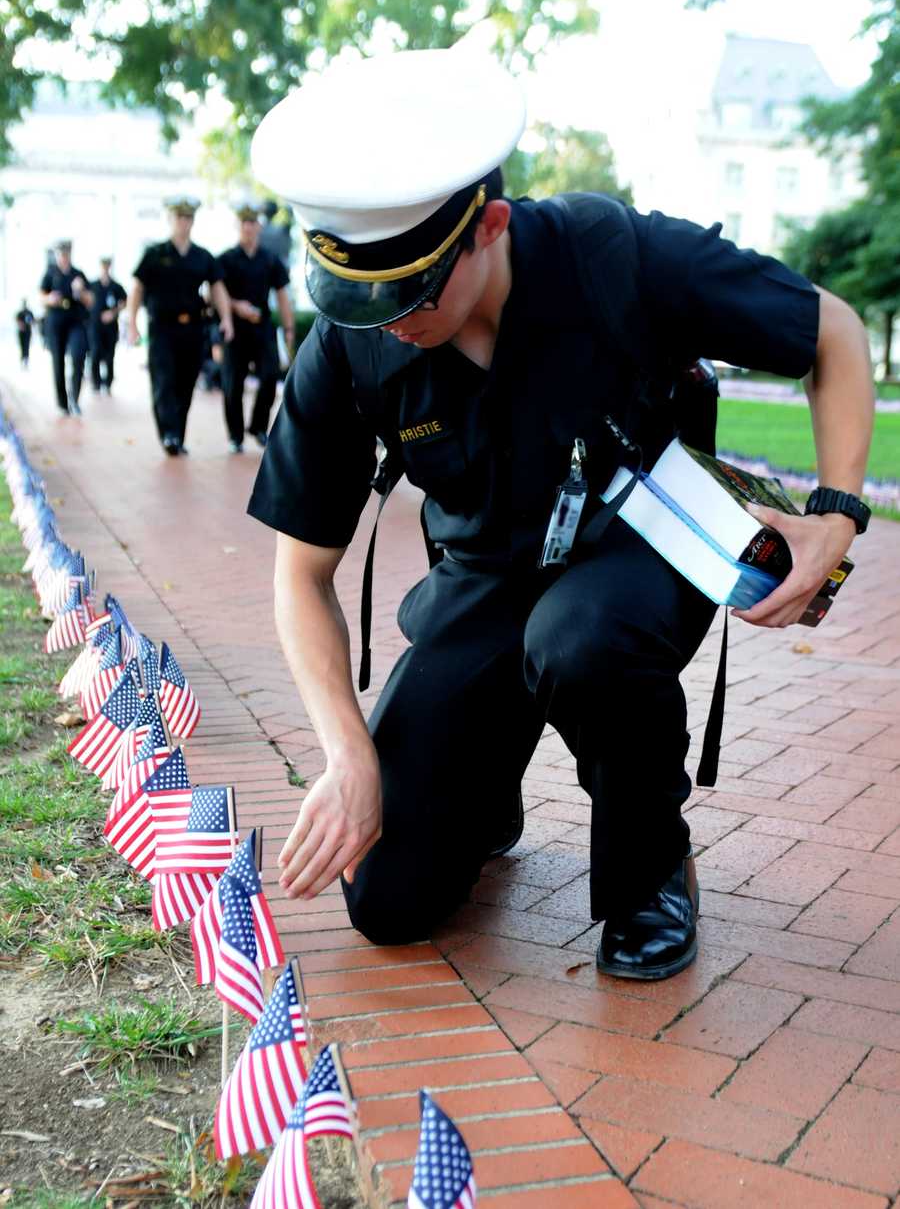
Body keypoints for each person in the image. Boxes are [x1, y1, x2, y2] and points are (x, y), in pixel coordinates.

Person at [245, 50, 874, 981]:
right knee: (388, 901)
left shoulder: (614, 256)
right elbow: (300, 576)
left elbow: (835, 331)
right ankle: (484, 785)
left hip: (632, 556)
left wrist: (838, 510)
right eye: (360, 299)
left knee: (579, 637)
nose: (389, 321)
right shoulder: (354, 344)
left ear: (489, 226)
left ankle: (649, 869)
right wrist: (349, 756)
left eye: (412, 292)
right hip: (485, 578)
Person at [126, 197, 233, 455]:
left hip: (193, 329)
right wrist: (131, 323)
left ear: (192, 221)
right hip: (162, 328)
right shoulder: (155, 254)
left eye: (187, 218)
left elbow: (217, 288)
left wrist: (227, 318)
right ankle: (169, 434)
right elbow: (137, 288)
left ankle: (177, 436)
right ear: (169, 220)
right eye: (178, 217)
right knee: (164, 381)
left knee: (186, 382)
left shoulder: (201, 256)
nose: (183, 223)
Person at [218, 201, 294, 453]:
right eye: (243, 222)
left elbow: (283, 294)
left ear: (259, 226)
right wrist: (236, 305)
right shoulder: (226, 260)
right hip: (234, 329)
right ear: (237, 226)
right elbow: (214, 293)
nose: (248, 227)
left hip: (262, 327)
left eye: (252, 222)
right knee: (232, 384)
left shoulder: (270, 260)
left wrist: (289, 327)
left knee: (271, 375)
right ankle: (235, 435)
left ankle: (259, 427)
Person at [39, 239, 93, 415]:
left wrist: (81, 291)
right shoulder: (50, 273)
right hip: (55, 320)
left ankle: (74, 399)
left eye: (66, 253)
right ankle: (63, 404)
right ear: (57, 255)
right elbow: (41, 296)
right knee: (58, 361)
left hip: (75, 320)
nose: (64, 256)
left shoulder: (78, 274)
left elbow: (91, 301)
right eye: (61, 253)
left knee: (78, 355)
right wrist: (49, 299)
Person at [88, 257, 127, 394]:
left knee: (110, 355)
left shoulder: (116, 286)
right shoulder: (92, 285)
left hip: (110, 326)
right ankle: (96, 382)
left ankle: (108, 383)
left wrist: (113, 313)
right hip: (95, 325)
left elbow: (124, 302)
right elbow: (85, 299)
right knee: (95, 352)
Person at [15, 300, 34, 368]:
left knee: (27, 345)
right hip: (21, 332)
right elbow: (17, 320)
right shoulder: (20, 313)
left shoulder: (29, 312)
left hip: (28, 331)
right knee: (22, 346)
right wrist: (21, 325)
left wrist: (29, 322)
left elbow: (32, 321)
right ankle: (22, 358)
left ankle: (26, 360)